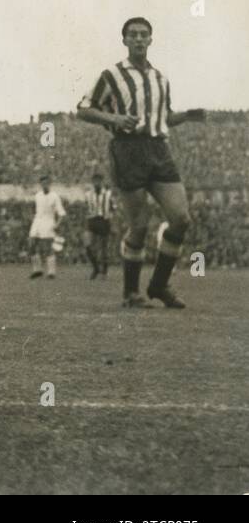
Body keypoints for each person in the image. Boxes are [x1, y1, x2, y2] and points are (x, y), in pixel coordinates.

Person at [77, 16, 205, 308]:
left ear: (150, 39)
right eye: (132, 34)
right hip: (128, 149)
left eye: (143, 34)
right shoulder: (112, 75)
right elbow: (83, 109)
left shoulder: (161, 78)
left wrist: (186, 115)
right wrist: (115, 118)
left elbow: (162, 119)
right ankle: (131, 293)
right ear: (124, 40)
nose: (138, 38)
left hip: (159, 150)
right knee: (139, 225)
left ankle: (158, 286)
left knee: (181, 219)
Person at [28, 174, 65, 279]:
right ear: (40, 184)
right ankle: (37, 269)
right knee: (31, 244)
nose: (45, 185)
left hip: (49, 221)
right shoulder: (37, 195)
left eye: (47, 183)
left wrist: (57, 224)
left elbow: (61, 213)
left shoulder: (55, 196)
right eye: (43, 183)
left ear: (49, 184)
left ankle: (51, 272)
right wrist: (33, 219)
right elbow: (34, 209)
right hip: (37, 221)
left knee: (47, 247)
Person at [84, 171, 113, 279]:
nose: (97, 183)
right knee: (87, 245)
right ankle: (96, 268)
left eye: (99, 181)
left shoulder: (108, 194)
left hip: (103, 221)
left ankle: (104, 271)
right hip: (92, 220)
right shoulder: (88, 194)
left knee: (103, 247)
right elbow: (86, 207)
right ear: (92, 182)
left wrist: (111, 220)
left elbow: (113, 208)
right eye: (95, 181)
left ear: (102, 181)